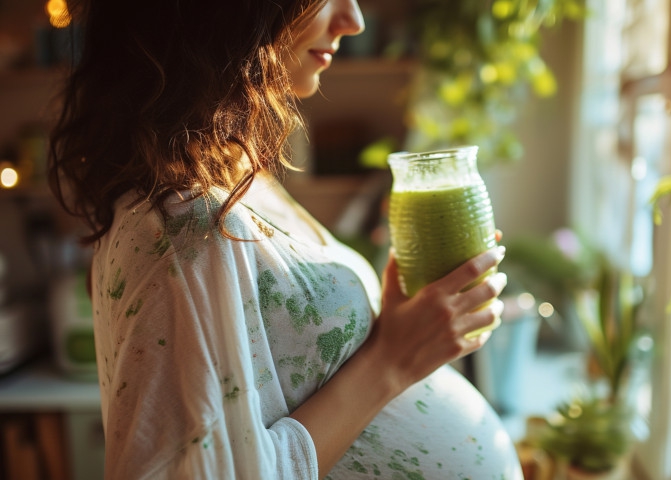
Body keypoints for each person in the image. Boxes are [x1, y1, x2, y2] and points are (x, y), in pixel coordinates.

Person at [48, 0, 523, 478]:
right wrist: (392, 361)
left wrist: (401, 326)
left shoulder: (237, 178)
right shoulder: (180, 224)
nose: (353, 21)